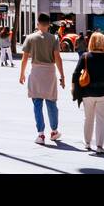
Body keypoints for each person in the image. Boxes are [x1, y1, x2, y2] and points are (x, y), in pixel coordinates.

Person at [18, 13, 65, 145]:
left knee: (37, 104)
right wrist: (62, 75)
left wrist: (22, 73)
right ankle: (54, 131)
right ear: (49, 25)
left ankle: (40, 134)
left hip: (36, 72)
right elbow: (57, 58)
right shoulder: (54, 39)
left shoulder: (30, 38)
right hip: (50, 72)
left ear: (37, 24)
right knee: (51, 103)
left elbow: (25, 58)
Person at [71, 32, 104, 154]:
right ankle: (99, 146)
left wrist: (73, 88)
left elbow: (75, 73)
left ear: (91, 42)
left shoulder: (85, 56)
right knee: (101, 120)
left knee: (88, 118)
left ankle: (87, 143)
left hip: (87, 92)